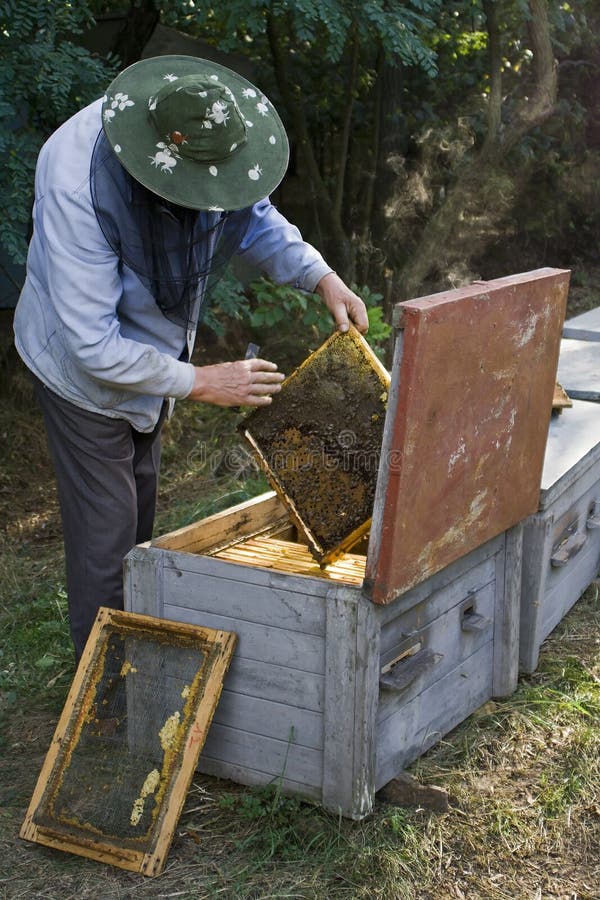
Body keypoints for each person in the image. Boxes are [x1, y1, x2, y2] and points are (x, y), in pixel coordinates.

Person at [13, 54, 369, 662]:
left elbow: (250, 213)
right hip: (79, 372)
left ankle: (140, 645)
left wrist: (319, 275)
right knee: (107, 531)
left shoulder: (207, 141)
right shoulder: (77, 181)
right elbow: (92, 346)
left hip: (150, 357)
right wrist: (201, 381)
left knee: (140, 512)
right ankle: (106, 693)